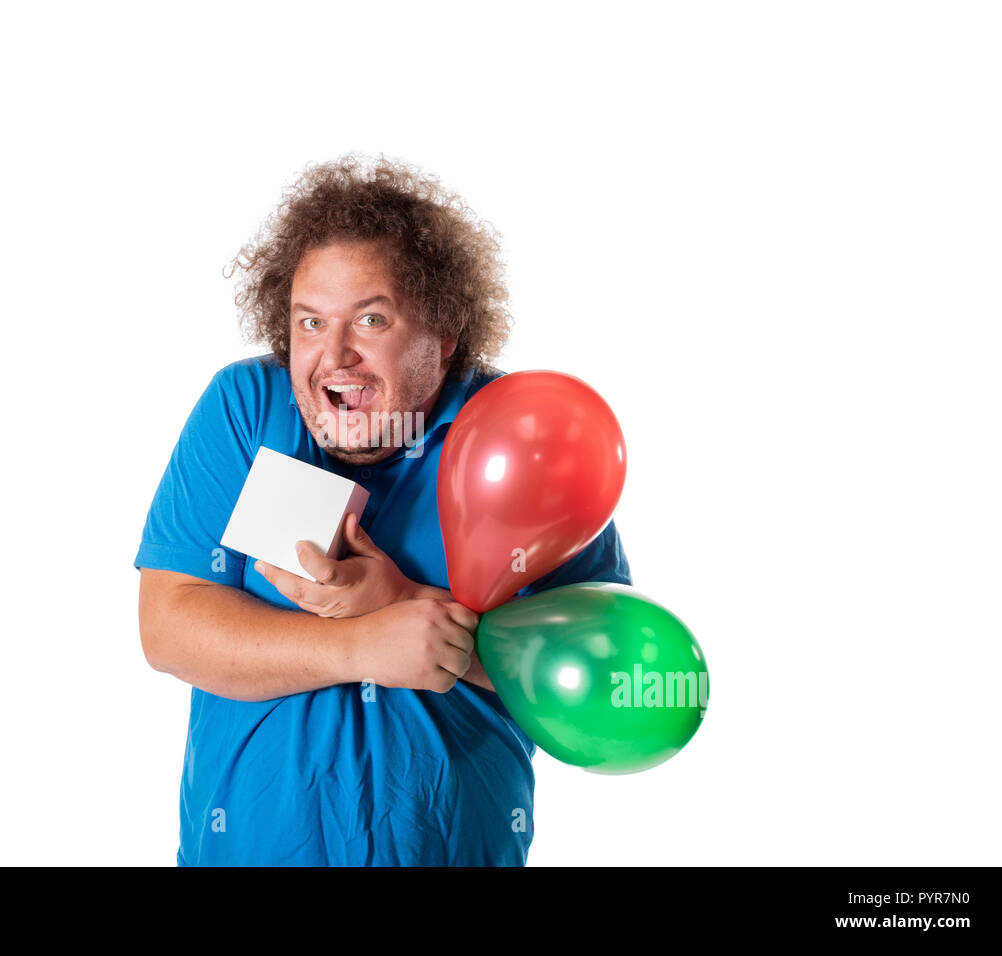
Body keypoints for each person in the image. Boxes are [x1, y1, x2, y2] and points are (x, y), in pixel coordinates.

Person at [134, 154, 632, 866]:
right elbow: (169, 627)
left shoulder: (531, 441)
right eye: (309, 323)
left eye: (371, 319)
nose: (334, 356)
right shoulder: (249, 410)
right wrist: (361, 642)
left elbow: (607, 688)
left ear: (443, 334)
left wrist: (411, 604)